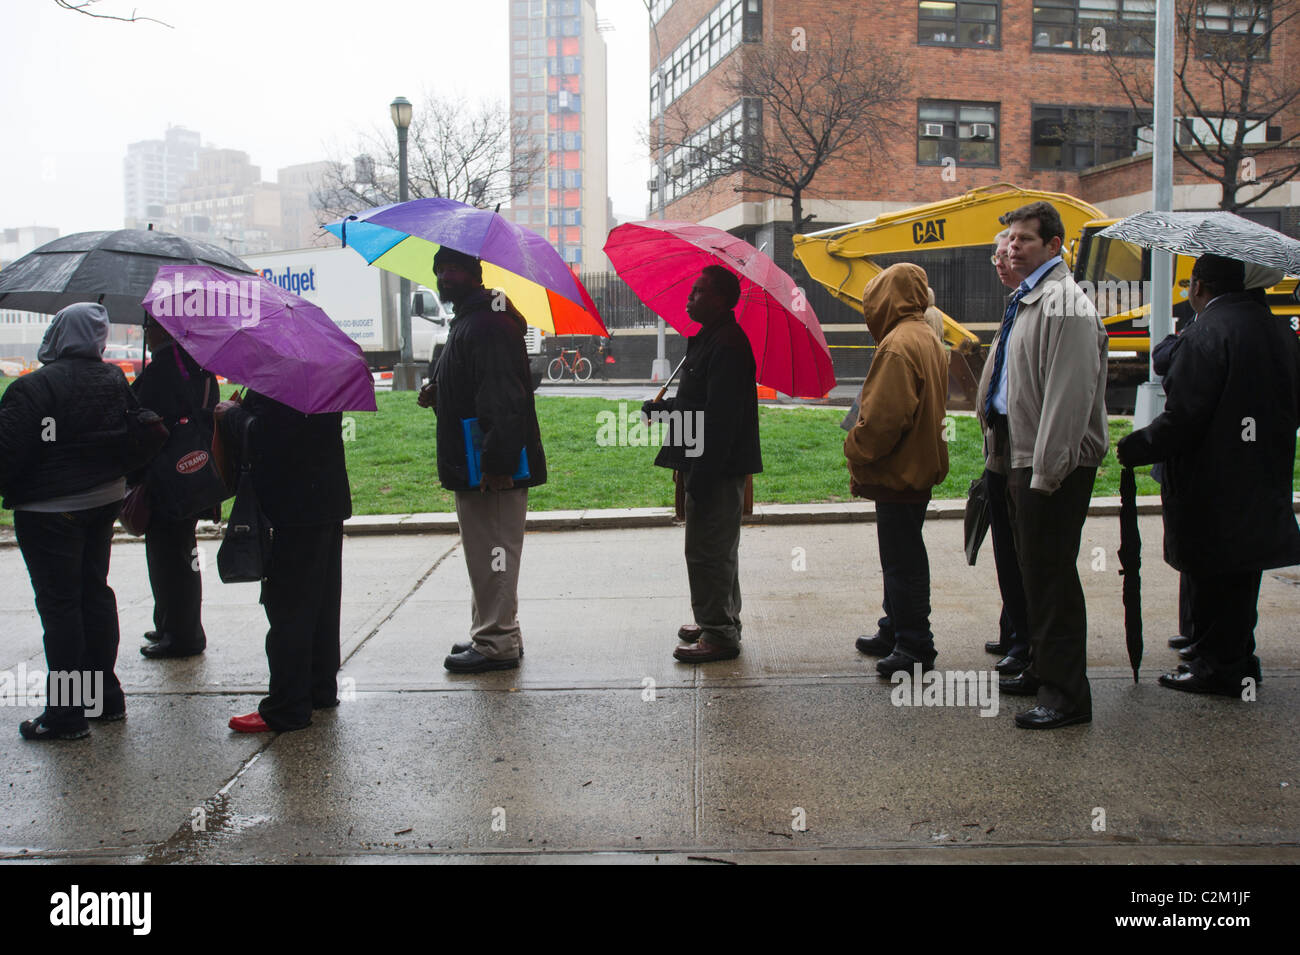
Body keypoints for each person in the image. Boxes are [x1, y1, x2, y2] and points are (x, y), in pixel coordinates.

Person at [1118, 254, 1300, 697]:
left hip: (1211, 482)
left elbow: (1185, 417)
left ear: (1200, 287)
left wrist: (1136, 447)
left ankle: (1216, 666)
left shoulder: (1207, 332)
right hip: (1262, 472)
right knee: (1241, 576)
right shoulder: (1277, 330)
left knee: (1210, 575)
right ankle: (1236, 658)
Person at [988, 201, 1109, 730]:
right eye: (1010, 238)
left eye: (1026, 241)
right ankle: (1041, 668)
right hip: (1018, 451)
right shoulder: (1028, 298)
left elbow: (1070, 395)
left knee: (1051, 576)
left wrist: (1047, 471)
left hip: (1047, 459)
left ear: (1056, 245)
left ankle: (1067, 697)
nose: (1013, 247)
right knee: (1030, 573)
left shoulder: (1066, 303)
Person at [0, 303, 133, 740]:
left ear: (58, 334)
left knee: (61, 607)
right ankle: (103, 697)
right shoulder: (114, 378)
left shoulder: (33, 388)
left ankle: (66, 714)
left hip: (50, 513)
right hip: (104, 500)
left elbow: (11, 453)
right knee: (94, 593)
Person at [417, 246, 547, 673]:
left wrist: (497, 463)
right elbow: (474, 384)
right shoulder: (471, 321)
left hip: (490, 465)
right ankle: (494, 630)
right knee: (486, 552)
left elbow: (503, 398)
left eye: (454, 268)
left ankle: (497, 643)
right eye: (440, 270)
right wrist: (440, 391)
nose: (445, 276)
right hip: (476, 460)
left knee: (494, 550)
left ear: (475, 274)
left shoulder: (488, 324)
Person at [642, 265, 761, 663]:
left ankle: (720, 634)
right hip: (704, 461)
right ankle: (719, 619)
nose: (689, 298)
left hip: (715, 467)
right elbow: (697, 405)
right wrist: (661, 412)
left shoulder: (726, 344)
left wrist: (704, 476)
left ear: (722, 300)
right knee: (718, 548)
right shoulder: (709, 340)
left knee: (708, 550)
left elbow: (721, 420)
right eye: (691, 291)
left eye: (698, 292)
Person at [214, 391, 351, 732]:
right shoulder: (322, 374)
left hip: (293, 506)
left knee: (288, 605)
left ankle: (286, 704)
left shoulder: (280, 381)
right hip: (326, 500)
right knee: (320, 601)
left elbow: (267, 436)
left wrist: (231, 414)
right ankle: (319, 688)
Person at [845, 264, 950, 676]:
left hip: (898, 472)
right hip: (918, 467)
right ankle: (895, 629)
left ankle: (914, 645)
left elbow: (884, 421)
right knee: (902, 556)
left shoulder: (897, 345)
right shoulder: (924, 335)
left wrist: (854, 444)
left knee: (902, 561)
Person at [132, 319, 219, 660]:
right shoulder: (198, 367)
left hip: (166, 479)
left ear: (166, 330)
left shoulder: (162, 371)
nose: (145, 332)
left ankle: (182, 635)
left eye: (150, 325)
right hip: (194, 475)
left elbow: (143, 421)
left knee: (170, 558)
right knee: (181, 554)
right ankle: (171, 623)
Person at [974, 229, 1031, 676]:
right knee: (1008, 553)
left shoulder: (1042, 307)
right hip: (1000, 448)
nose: (999, 262)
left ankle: (1026, 641)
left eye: (1006, 254)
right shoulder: (1015, 305)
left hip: (1021, 452)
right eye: (995, 256)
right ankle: (1014, 630)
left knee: (1023, 553)